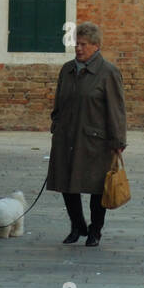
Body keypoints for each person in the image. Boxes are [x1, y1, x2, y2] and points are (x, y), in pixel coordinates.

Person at [47, 22, 127, 247]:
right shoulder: (67, 70)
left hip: (95, 140)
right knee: (66, 183)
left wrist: (118, 140)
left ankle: (95, 230)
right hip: (66, 137)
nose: (78, 48)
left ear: (96, 46)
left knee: (96, 187)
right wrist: (56, 124)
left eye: (83, 44)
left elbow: (116, 109)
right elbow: (58, 102)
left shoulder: (108, 72)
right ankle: (77, 226)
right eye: (76, 44)